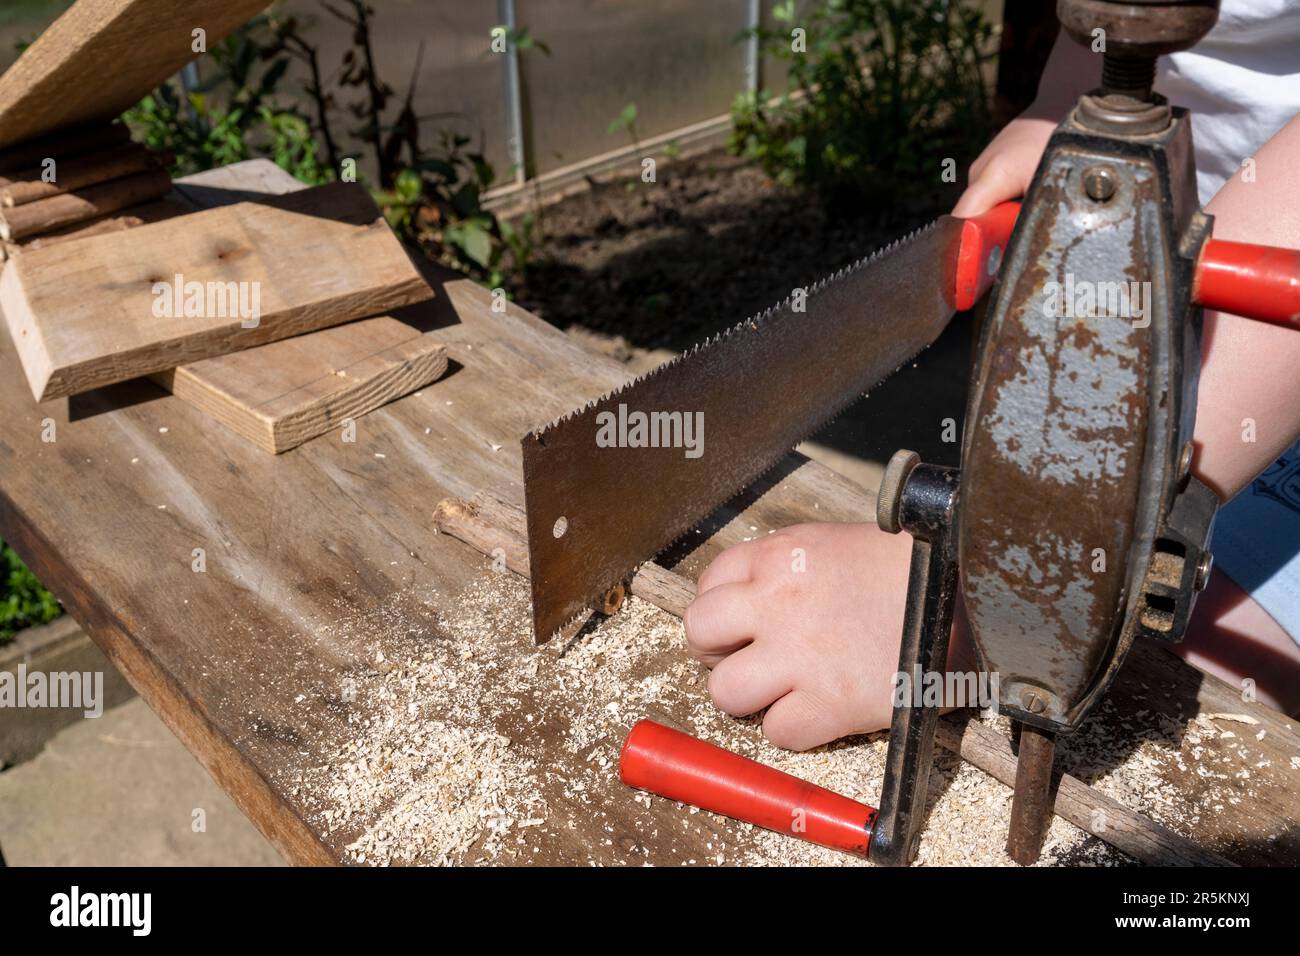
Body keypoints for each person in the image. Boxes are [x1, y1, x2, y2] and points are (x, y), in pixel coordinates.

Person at [683, 3, 1300, 750]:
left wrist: (992, 587)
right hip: (1165, 293)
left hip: (1260, 346)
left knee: (1197, 658)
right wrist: (1066, 107)